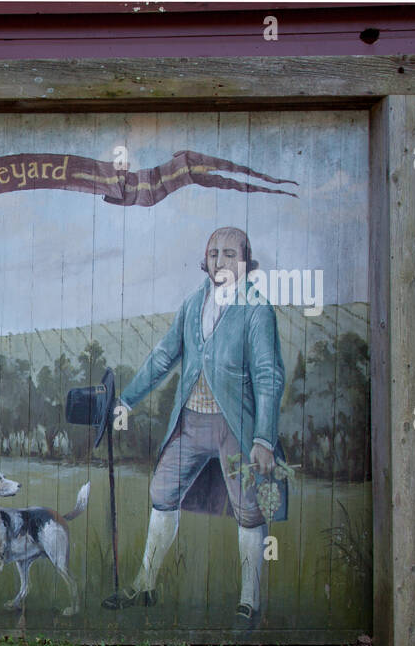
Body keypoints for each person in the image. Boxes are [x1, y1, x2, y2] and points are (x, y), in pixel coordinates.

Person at [102, 226, 287, 622]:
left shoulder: (257, 310)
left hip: (235, 427)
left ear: (245, 263)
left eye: (229, 254)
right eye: (214, 253)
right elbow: (163, 357)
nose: (220, 261)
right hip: (188, 422)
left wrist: (264, 439)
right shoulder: (192, 304)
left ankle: (249, 600)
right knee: (162, 491)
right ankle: (146, 584)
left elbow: (270, 375)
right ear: (205, 260)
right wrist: (127, 400)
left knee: (250, 508)